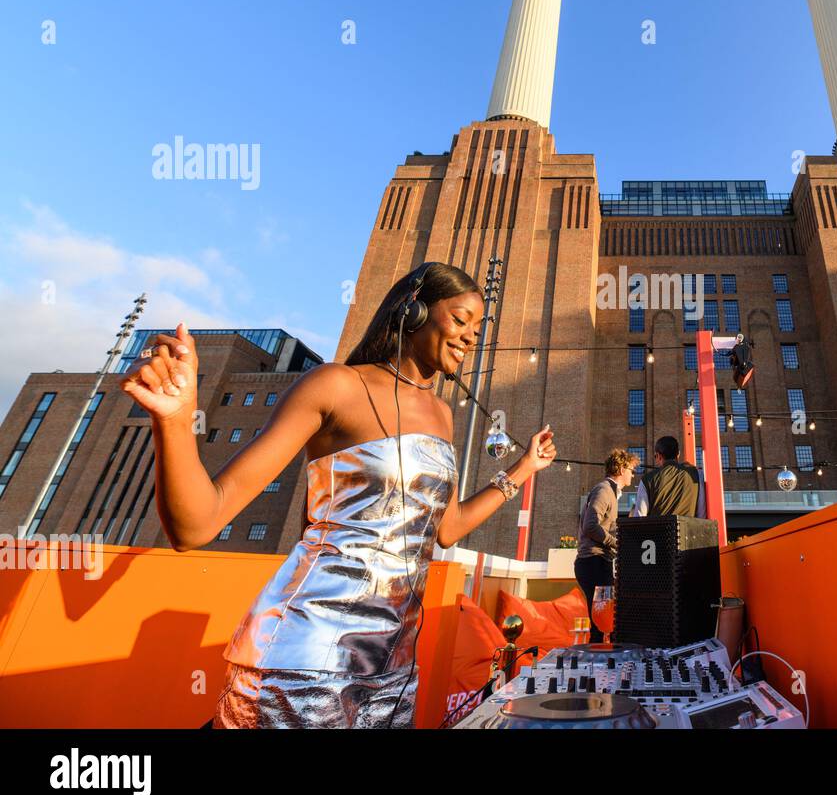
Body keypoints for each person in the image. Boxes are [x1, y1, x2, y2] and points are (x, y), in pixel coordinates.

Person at [119, 261, 558, 728]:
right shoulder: (336, 385)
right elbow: (197, 523)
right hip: (307, 657)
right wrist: (175, 420)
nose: (473, 337)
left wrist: (523, 468)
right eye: (460, 319)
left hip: (394, 665)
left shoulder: (441, 415)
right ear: (413, 310)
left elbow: (446, 530)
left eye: (478, 327)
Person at [574, 449, 639, 643]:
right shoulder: (604, 490)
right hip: (593, 562)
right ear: (620, 468)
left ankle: (598, 665)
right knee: (602, 621)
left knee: (600, 621)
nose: (633, 474)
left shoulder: (610, 492)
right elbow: (590, 526)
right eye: (631, 470)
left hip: (595, 562)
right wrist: (617, 543)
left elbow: (601, 527)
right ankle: (599, 666)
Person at [632, 435, 701, 518]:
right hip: (688, 529)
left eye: (655, 456)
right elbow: (702, 512)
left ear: (658, 456)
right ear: (678, 454)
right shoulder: (697, 474)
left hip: (658, 530)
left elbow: (639, 516)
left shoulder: (647, 479)